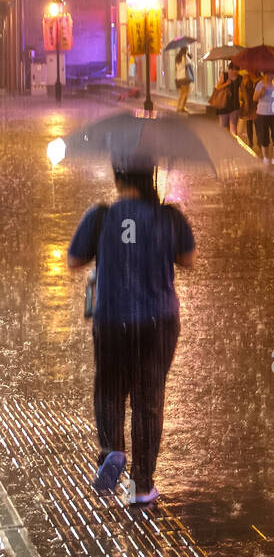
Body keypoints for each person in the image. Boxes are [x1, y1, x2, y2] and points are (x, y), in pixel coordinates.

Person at [66, 163, 194, 506]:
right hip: (157, 322)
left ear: (117, 178)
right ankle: (142, 485)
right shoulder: (168, 216)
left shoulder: (100, 216)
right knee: (148, 400)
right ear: (148, 175)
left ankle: (112, 449)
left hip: (111, 320)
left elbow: (74, 260)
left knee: (108, 389)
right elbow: (188, 258)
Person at [254, 71, 274, 166]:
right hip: (262, 114)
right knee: (264, 136)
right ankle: (265, 158)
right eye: (268, 74)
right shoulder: (260, 84)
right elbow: (254, 98)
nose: (270, 76)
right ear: (264, 74)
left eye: (272, 74)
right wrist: (261, 93)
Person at [212, 62, 242, 133]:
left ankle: (232, 142)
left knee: (233, 125)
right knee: (223, 126)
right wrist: (226, 84)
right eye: (232, 70)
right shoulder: (224, 75)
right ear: (229, 69)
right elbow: (217, 88)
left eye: (236, 70)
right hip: (223, 105)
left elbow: (242, 90)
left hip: (235, 105)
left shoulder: (240, 77)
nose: (234, 72)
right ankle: (223, 142)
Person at [238, 69, 259, 148]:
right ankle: (251, 142)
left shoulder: (256, 78)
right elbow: (243, 92)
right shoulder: (244, 80)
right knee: (249, 123)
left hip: (254, 103)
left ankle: (258, 141)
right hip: (248, 104)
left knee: (257, 123)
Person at [174, 46, 193, 112]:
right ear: (185, 50)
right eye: (187, 50)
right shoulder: (184, 57)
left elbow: (176, 68)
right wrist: (189, 56)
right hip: (184, 77)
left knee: (181, 93)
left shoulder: (177, 57)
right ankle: (182, 107)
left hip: (178, 77)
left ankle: (178, 107)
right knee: (186, 93)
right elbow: (188, 65)